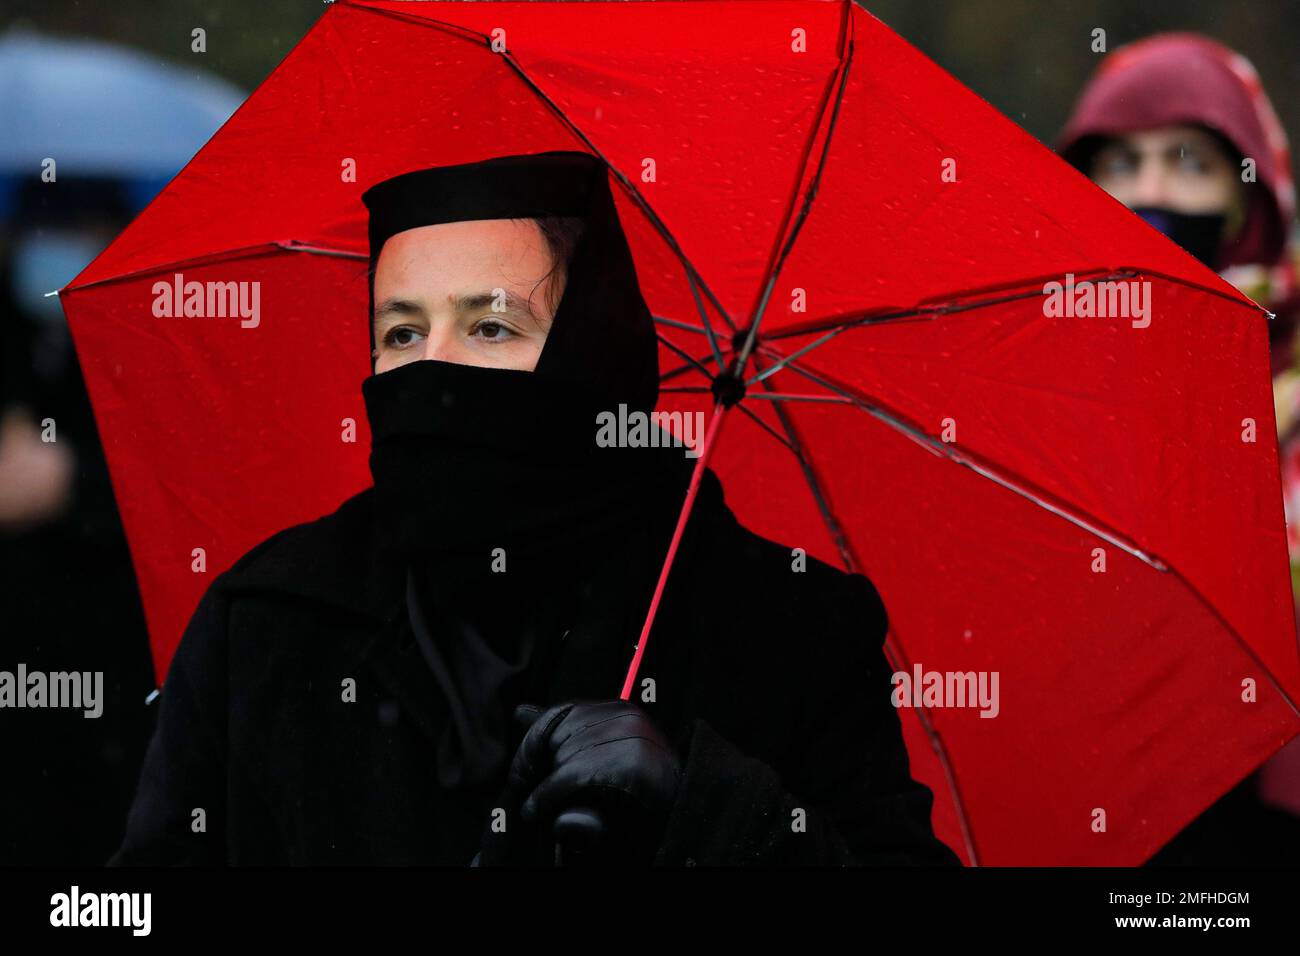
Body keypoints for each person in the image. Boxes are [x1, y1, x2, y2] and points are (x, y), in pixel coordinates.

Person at [107, 150, 961, 866]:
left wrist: (709, 809)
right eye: (402, 332)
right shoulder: (269, 620)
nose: (430, 371)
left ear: (592, 351)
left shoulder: (785, 627)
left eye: (489, 327)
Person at [1057, 32, 1300, 863]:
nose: (1151, 191)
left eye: (1190, 162)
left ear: (1251, 194)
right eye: (1121, 163)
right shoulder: (1030, 375)